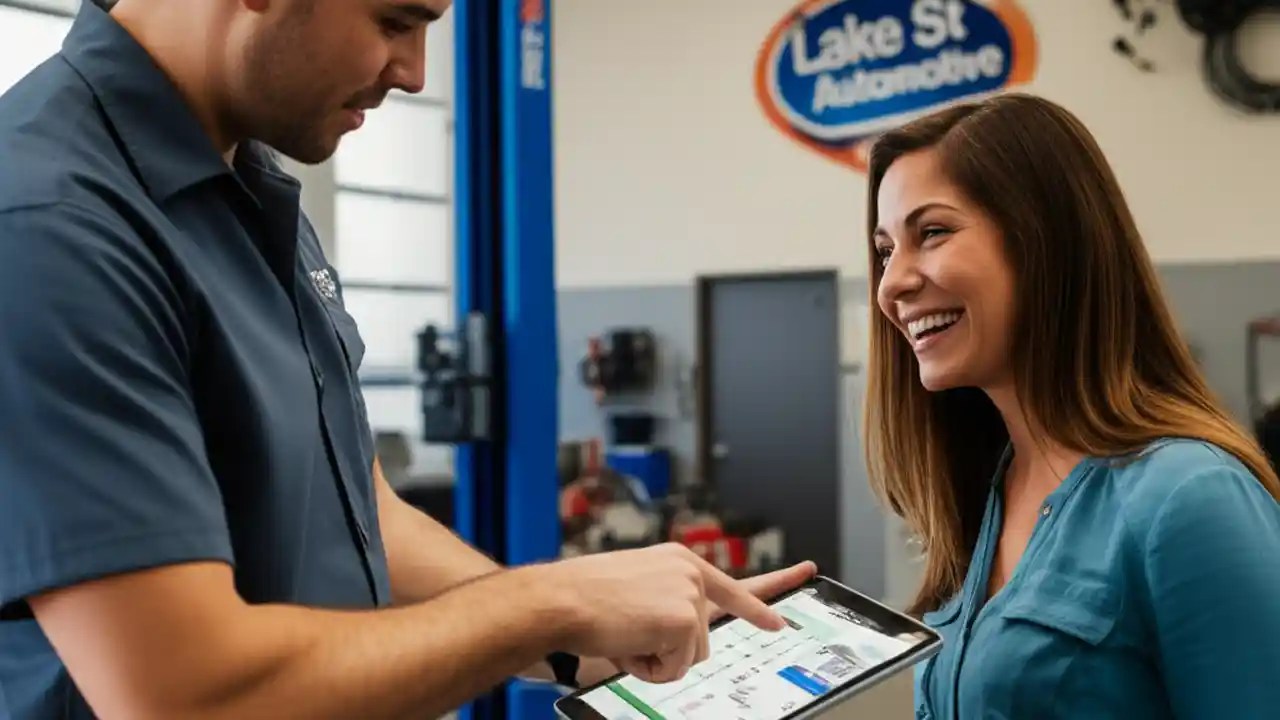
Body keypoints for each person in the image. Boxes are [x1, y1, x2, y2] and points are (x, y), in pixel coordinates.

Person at [0, 1, 817, 718]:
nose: (418, 74)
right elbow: (184, 697)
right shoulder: (51, 221)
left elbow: (360, 508)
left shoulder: (247, 187)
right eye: (396, 20)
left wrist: (592, 643)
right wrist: (551, 601)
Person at [862, 92, 1280, 719]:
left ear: (1046, 242)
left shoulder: (1190, 496)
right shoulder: (986, 492)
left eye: (934, 232)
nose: (891, 283)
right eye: (887, 249)